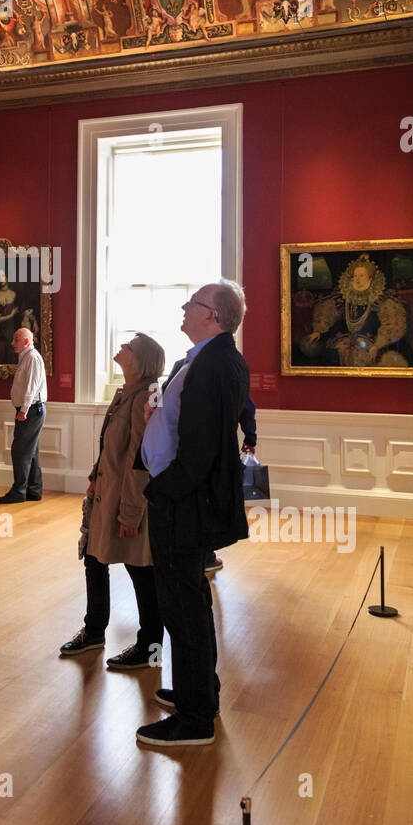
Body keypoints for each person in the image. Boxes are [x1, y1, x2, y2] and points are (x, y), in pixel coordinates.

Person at [136, 280, 249, 748]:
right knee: (189, 603)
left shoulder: (217, 362)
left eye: (193, 303)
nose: (184, 308)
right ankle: (199, 689)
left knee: (182, 606)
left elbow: (200, 450)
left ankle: (196, 717)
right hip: (182, 500)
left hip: (185, 505)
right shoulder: (204, 357)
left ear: (213, 316)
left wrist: (163, 491)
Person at [60, 334, 165, 670]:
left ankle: (150, 648)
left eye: (129, 346)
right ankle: (94, 631)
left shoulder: (148, 395)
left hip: (128, 498)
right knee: (94, 558)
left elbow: (141, 459)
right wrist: (94, 478)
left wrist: (131, 512)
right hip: (106, 494)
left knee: (141, 571)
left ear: (142, 360)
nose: (122, 347)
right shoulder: (124, 394)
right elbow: (110, 447)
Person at [159, 355, 257, 575]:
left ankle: (197, 555)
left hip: (184, 446)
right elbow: (246, 406)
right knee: (207, 500)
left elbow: (165, 399)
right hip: (215, 448)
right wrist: (250, 437)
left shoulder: (183, 365)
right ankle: (204, 555)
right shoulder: (226, 364)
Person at [0, 326, 47, 504]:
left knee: (20, 451)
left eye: (16, 339)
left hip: (31, 410)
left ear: (26, 341)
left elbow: (31, 387)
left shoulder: (32, 358)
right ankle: (33, 490)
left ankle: (19, 491)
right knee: (30, 451)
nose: (12, 342)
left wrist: (24, 410)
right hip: (31, 410)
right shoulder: (26, 357)